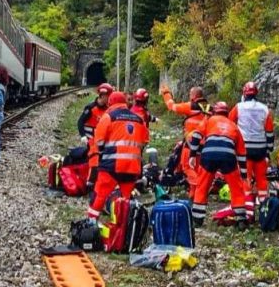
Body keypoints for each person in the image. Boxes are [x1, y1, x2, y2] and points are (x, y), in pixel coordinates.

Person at [86, 91, 149, 221]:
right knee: (125, 200)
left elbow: (99, 142)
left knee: (99, 195)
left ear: (110, 103)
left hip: (111, 166)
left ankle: (91, 222)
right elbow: (144, 141)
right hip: (132, 167)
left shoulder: (108, 117)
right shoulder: (139, 119)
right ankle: (123, 226)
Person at [188, 101, 248, 226]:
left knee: (202, 185)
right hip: (228, 156)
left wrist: (192, 155)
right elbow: (242, 153)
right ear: (227, 113)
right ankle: (241, 218)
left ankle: (197, 219)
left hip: (208, 154)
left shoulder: (209, 120)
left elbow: (196, 135)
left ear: (215, 111)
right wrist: (243, 174)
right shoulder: (234, 126)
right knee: (236, 187)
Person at [229, 81, 274, 215]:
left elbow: (229, 123)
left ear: (244, 93)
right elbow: (269, 132)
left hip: (245, 148)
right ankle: (264, 208)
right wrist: (269, 149)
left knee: (246, 178)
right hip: (261, 148)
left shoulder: (238, 107)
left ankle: (248, 209)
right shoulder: (264, 109)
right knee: (262, 179)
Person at [159, 84, 211, 195]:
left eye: (190, 94)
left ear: (193, 96)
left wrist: (166, 93)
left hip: (191, 143)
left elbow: (172, 106)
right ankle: (194, 196)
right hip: (204, 144)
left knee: (187, 168)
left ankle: (199, 187)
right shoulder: (208, 107)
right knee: (197, 169)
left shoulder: (191, 106)